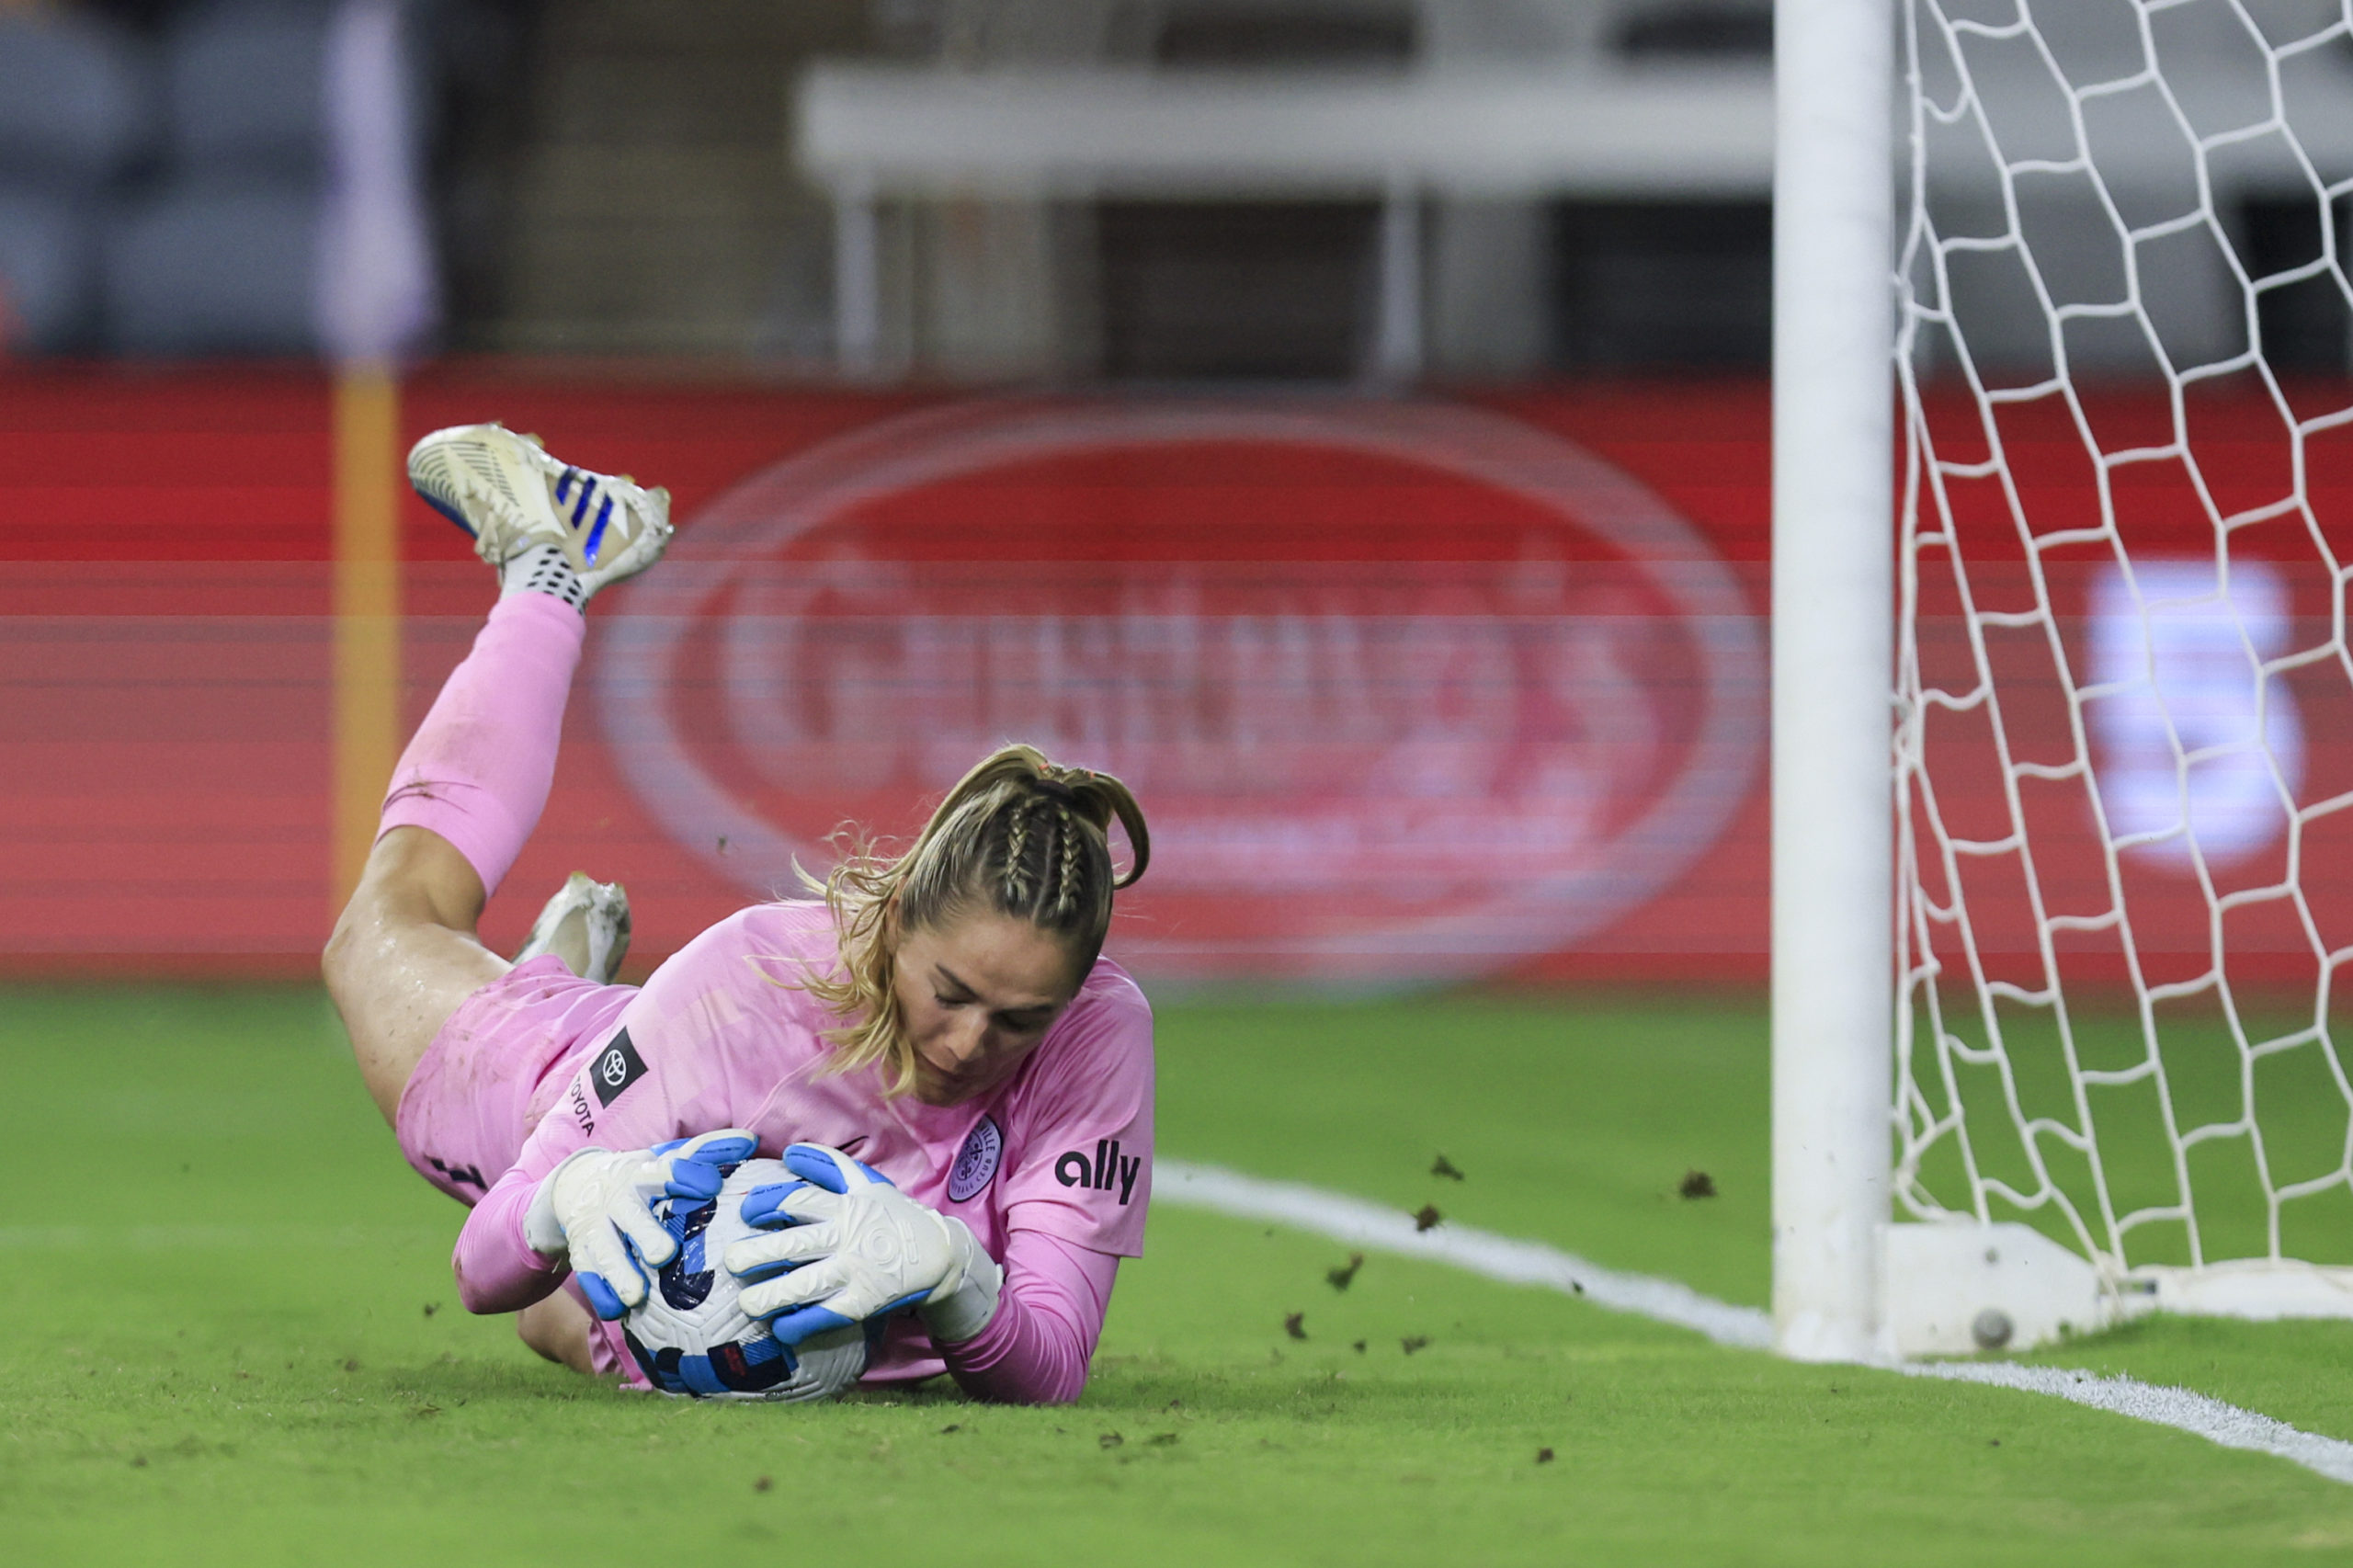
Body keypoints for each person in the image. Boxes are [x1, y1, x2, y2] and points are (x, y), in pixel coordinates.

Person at [324, 423, 1154, 1404]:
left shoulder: (1099, 1030)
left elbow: (1050, 1364)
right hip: (565, 1087)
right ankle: (547, 570)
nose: (974, 1039)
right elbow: (478, 1266)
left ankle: (557, 971)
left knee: (565, 1322)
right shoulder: (745, 980)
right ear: (893, 923)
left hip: (676, 1180)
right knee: (387, 921)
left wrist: (955, 1273)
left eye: (1021, 1018)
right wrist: (562, 1193)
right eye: (953, 991)